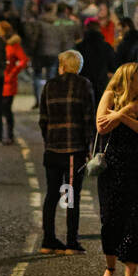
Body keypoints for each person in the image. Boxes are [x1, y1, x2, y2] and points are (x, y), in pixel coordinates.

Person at [95, 62, 138, 276]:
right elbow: (100, 126)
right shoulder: (110, 94)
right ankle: (110, 268)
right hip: (112, 167)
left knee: (134, 221)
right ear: (130, 78)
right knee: (110, 220)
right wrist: (125, 111)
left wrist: (119, 115)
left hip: (137, 168)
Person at [38, 49, 94, 254]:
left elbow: (43, 119)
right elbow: (88, 119)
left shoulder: (49, 86)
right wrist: (88, 147)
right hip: (74, 150)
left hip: (52, 149)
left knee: (52, 194)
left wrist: (48, 140)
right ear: (78, 66)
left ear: (62, 65)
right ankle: (71, 241)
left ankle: (48, 239)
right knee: (70, 195)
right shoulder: (83, 85)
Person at [0, 21, 28, 146]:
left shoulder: (13, 45)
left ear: (3, 32)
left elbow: (24, 60)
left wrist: (12, 73)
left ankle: (9, 135)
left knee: (6, 110)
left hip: (8, 83)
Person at [74, 16, 116, 102]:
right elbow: (112, 66)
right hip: (101, 83)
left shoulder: (79, 47)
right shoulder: (106, 46)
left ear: (86, 29)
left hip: (84, 83)